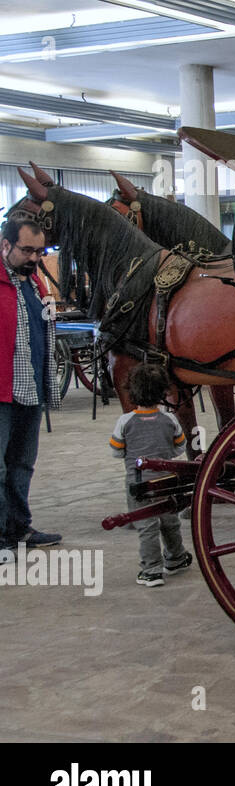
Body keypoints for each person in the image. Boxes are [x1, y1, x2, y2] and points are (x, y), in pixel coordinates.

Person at [0, 216, 62, 564]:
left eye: (40, 251)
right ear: (5, 245)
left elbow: (46, 336)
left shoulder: (35, 284)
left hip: (30, 388)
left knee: (22, 464)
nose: (35, 258)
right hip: (1, 390)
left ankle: (18, 528)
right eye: (27, 250)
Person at [109, 363, 191, 587]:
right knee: (170, 520)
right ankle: (176, 557)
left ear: (131, 390)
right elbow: (179, 447)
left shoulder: (125, 421)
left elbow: (115, 450)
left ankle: (151, 569)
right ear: (163, 391)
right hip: (166, 481)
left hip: (138, 483)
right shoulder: (170, 419)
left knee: (147, 526)